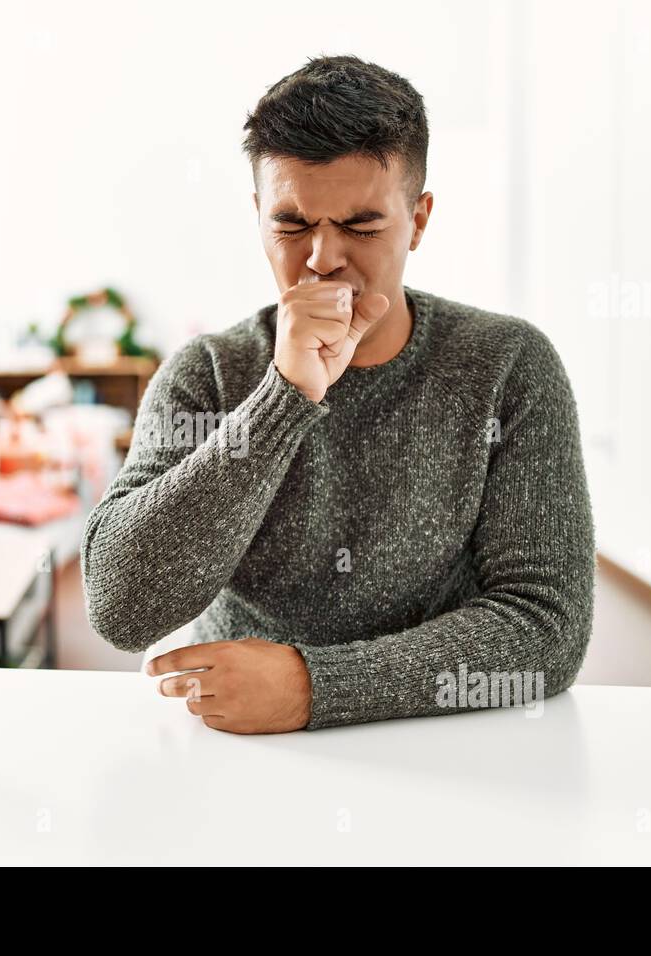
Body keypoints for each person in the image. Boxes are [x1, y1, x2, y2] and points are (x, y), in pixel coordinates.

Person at [80, 55, 596, 733]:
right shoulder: (206, 373)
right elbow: (121, 608)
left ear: (418, 220)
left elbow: (545, 628)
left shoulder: (508, 365)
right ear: (259, 215)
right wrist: (283, 395)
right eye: (292, 224)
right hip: (246, 754)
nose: (322, 257)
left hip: (445, 745)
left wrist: (312, 686)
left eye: (361, 225)